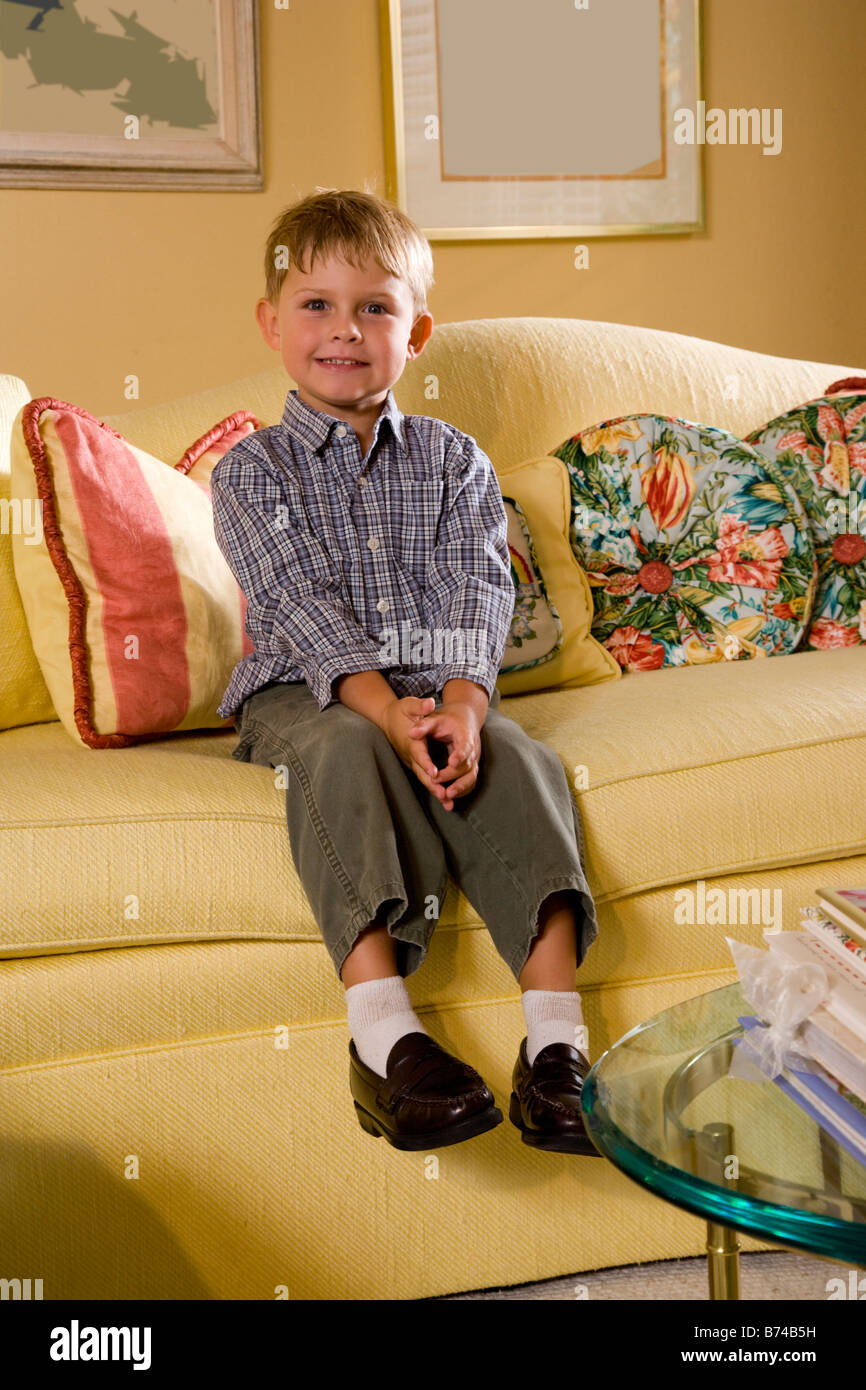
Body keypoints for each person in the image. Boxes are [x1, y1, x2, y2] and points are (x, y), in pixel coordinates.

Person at [211, 187, 602, 1156]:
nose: (344, 330)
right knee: (345, 748)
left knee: (518, 761)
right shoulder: (252, 471)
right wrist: (386, 711)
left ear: (415, 329)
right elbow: (296, 601)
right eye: (316, 304)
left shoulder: (452, 460)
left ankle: (558, 1044)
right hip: (303, 692)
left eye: (374, 307)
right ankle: (384, 1034)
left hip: (439, 682)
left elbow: (475, 590)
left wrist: (463, 708)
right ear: (271, 322)